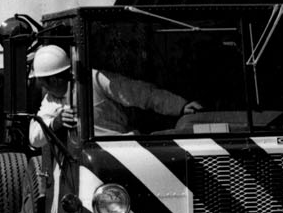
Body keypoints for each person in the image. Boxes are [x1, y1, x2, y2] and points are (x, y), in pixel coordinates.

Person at [25, 45, 201, 147]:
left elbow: (140, 93)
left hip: (121, 148)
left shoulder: (95, 80)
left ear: (54, 80)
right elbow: (34, 138)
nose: (41, 86)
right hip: (88, 157)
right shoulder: (50, 101)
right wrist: (55, 123)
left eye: (42, 81)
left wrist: (180, 106)